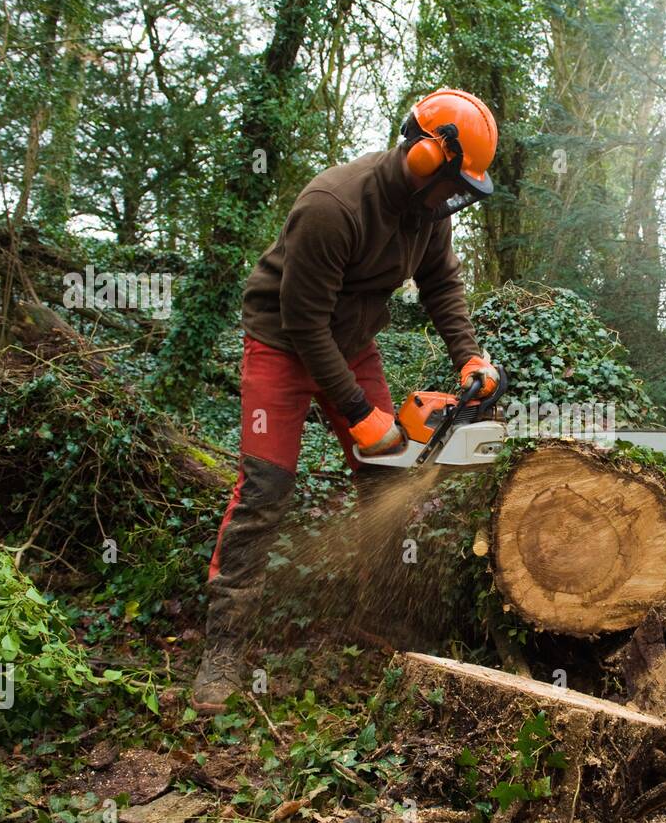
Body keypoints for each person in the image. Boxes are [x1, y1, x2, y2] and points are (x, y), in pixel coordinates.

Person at [190, 89, 501, 714]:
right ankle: (222, 649)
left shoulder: (429, 211)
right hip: (285, 341)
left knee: (385, 479)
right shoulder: (333, 205)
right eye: (449, 182)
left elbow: (440, 283)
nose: (452, 197)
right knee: (264, 489)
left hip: (352, 341)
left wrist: (469, 355)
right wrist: (360, 415)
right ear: (421, 156)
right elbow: (303, 324)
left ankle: (379, 614)